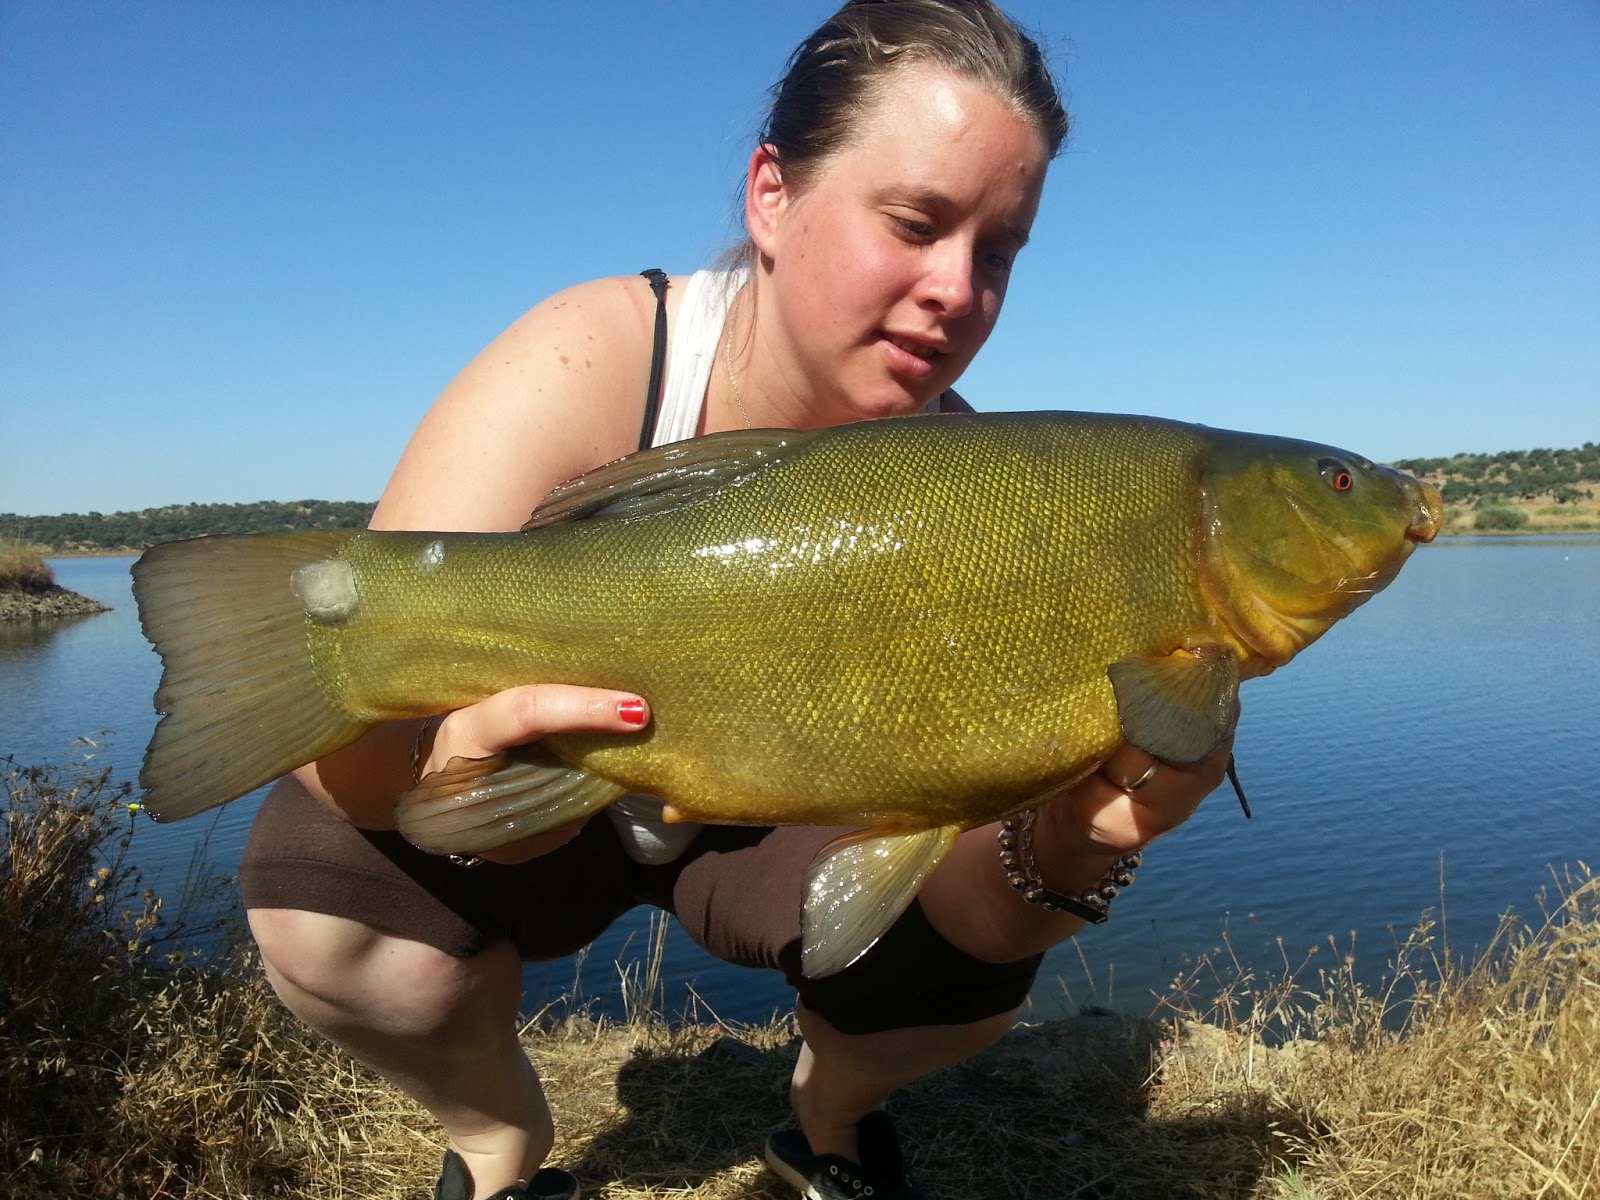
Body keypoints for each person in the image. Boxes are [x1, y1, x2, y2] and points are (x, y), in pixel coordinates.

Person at [240, 3, 1231, 1198]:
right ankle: (497, 1139)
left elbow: (982, 890)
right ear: (771, 194)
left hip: (786, 816)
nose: (955, 288)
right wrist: (457, 773)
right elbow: (333, 737)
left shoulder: (987, 497)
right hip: (574, 788)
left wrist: (1067, 847)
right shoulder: (591, 357)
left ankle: (832, 1116)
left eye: (999, 248)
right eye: (915, 222)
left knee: (950, 983)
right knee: (327, 899)